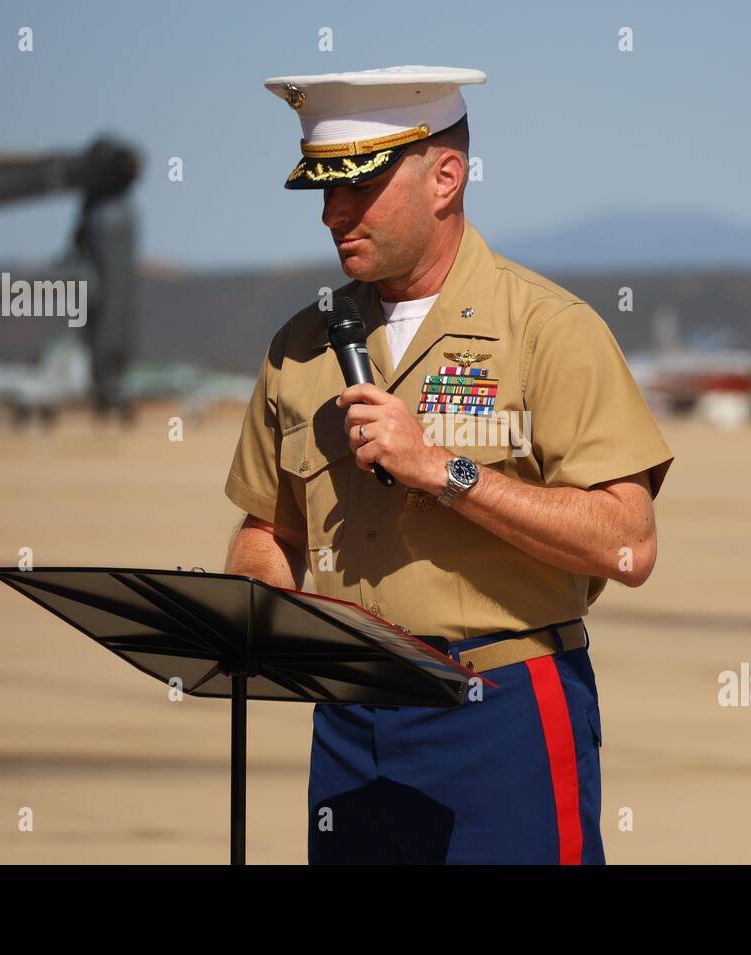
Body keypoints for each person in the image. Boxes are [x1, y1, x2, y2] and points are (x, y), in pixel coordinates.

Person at [224, 65, 674, 864]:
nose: (334, 213)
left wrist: (444, 471)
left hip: (500, 709)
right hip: (348, 717)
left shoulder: (549, 329)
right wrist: (257, 604)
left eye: (357, 187)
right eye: (323, 190)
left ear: (446, 176)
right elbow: (270, 529)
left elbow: (626, 544)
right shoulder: (300, 347)